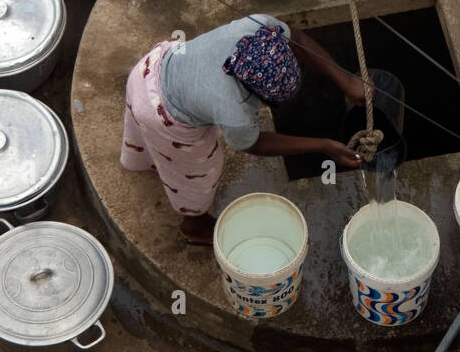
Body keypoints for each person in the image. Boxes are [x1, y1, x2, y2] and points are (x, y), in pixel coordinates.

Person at [120, 14, 366, 243]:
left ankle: (151, 160)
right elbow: (253, 143)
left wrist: (347, 81)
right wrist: (323, 145)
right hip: (160, 114)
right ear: (257, 95)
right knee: (199, 172)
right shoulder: (233, 108)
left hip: (149, 70)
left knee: (156, 143)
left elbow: (298, 38)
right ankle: (195, 226)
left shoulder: (257, 26)